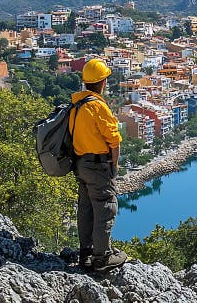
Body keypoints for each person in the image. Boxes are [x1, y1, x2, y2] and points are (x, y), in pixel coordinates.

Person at [70, 58, 127, 271]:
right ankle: (101, 258)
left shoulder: (77, 104)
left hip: (81, 165)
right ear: (102, 82)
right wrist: (115, 164)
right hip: (98, 166)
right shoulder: (97, 106)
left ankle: (85, 253)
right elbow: (114, 139)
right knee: (105, 208)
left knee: (86, 209)